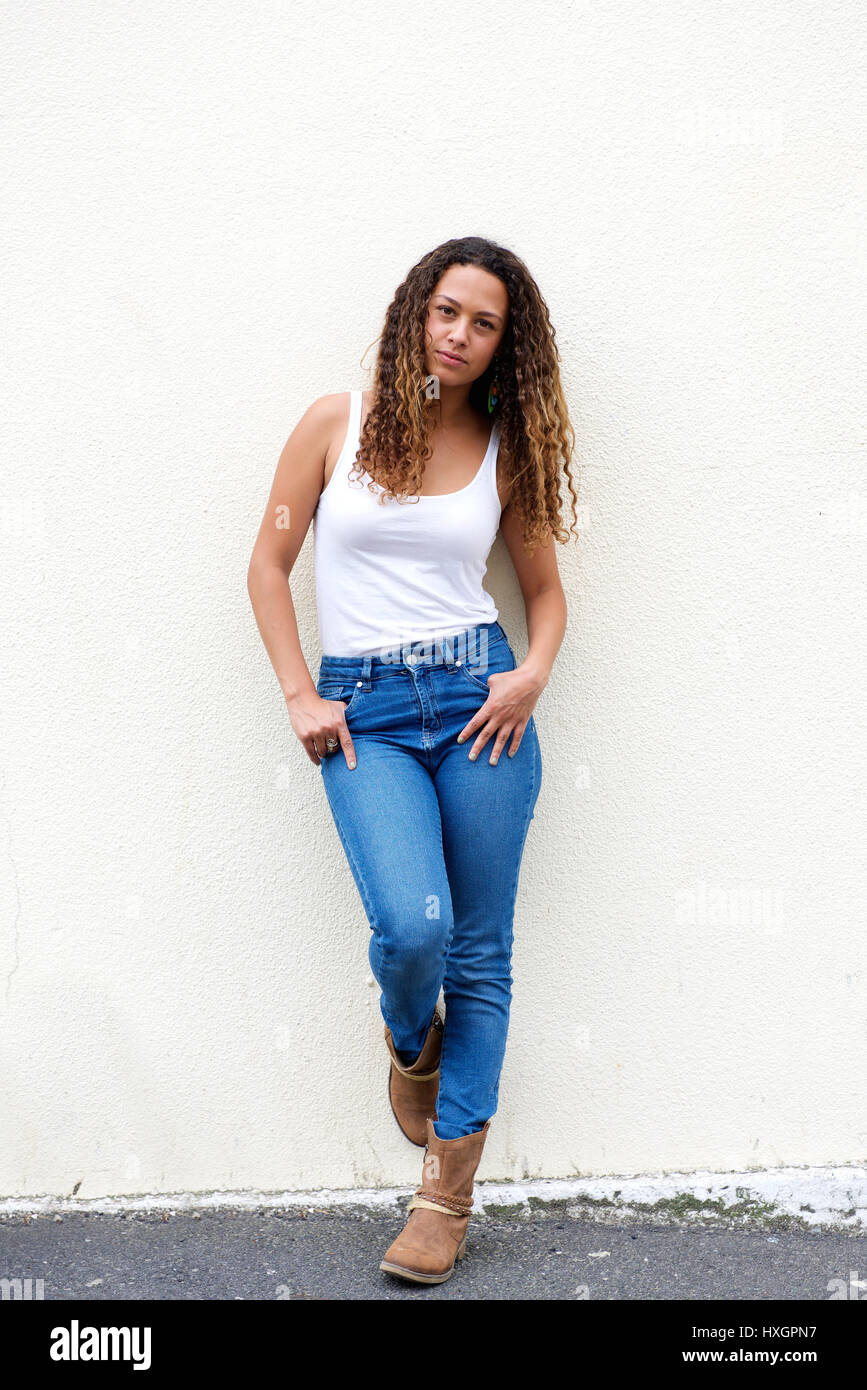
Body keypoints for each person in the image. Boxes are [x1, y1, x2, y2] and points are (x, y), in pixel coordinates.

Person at [247, 235, 578, 1285]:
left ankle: (446, 1194)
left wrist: (530, 672)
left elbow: (546, 590)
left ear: (503, 343)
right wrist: (301, 693)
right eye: (448, 311)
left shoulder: (499, 445)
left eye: (485, 323)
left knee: (481, 952)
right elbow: (268, 562)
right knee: (414, 928)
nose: (462, 335)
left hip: (480, 702)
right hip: (368, 711)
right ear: (414, 312)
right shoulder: (332, 425)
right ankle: (408, 1041)